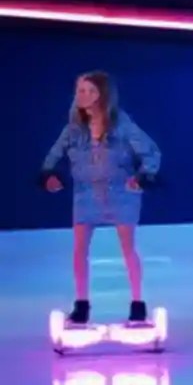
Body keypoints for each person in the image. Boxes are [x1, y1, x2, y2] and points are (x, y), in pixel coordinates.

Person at [41, 72, 162, 326]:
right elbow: (52, 157)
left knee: (128, 248)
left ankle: (138, 304)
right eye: (79, 90)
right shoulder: (73, 130)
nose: (82, 95)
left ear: (102, 95)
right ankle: (81, 305)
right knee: (79, 250)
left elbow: (151, 153)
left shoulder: (123, 125)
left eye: (88, 91)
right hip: (86, 193)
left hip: (120, 192)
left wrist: (141, 177)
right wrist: (49, 175)